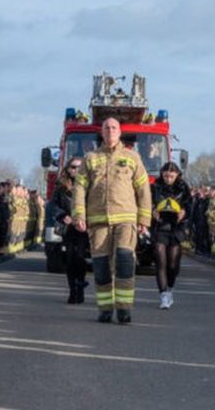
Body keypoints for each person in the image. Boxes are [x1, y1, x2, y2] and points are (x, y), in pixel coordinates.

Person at [72, 118, 152, 324]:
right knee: (101, 267)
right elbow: (79, 189)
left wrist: (144, 218)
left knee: (125, 262)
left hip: (126, 219)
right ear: (101, 132)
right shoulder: (90, 158)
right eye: (106, 127)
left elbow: (143, 189)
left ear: (120, 132)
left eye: (114, 127)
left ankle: (124, 310)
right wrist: (79, 215)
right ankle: (105, 309)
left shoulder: (132, 157)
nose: (110, 130)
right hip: (98, 221)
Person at [151, 162, 193, 309]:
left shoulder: (183, 187)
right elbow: (147, 202)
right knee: (160, 258)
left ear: (177, 175)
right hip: (160, 226)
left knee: (173, 263)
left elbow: (189, 204)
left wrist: (184, 212)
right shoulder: (155, 187)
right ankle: (163, 295)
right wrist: (152, 211)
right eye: (166, 175)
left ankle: (170, 288)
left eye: (172, 176)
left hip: (176, 227)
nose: (168, 178)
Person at [48, 156, 88, 303]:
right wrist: (63, 215)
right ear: (67, 169)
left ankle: (80, 287)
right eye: (72, 167)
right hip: (69, 228)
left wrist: (84, 218)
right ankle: (72, 290)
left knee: (80, 258)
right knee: (70, 259)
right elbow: (52, 206)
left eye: (79, 167)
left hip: (84, 228)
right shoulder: (61, 187)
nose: (75, 170)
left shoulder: (89, 185)